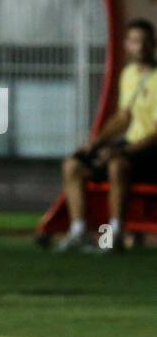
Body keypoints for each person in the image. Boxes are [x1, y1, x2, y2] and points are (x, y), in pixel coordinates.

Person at [58, 17, 157, 252]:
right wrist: (95, 144)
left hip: (150, 150)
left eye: (145, 42)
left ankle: (116, 233)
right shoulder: (129, 74)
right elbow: (123, 117)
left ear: (154, 44)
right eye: (134, 41)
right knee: (73, 165)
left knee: (117, 165)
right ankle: (79, 231)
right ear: (126, 45)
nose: (140, 47)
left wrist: (119, 151)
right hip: (128, 145)